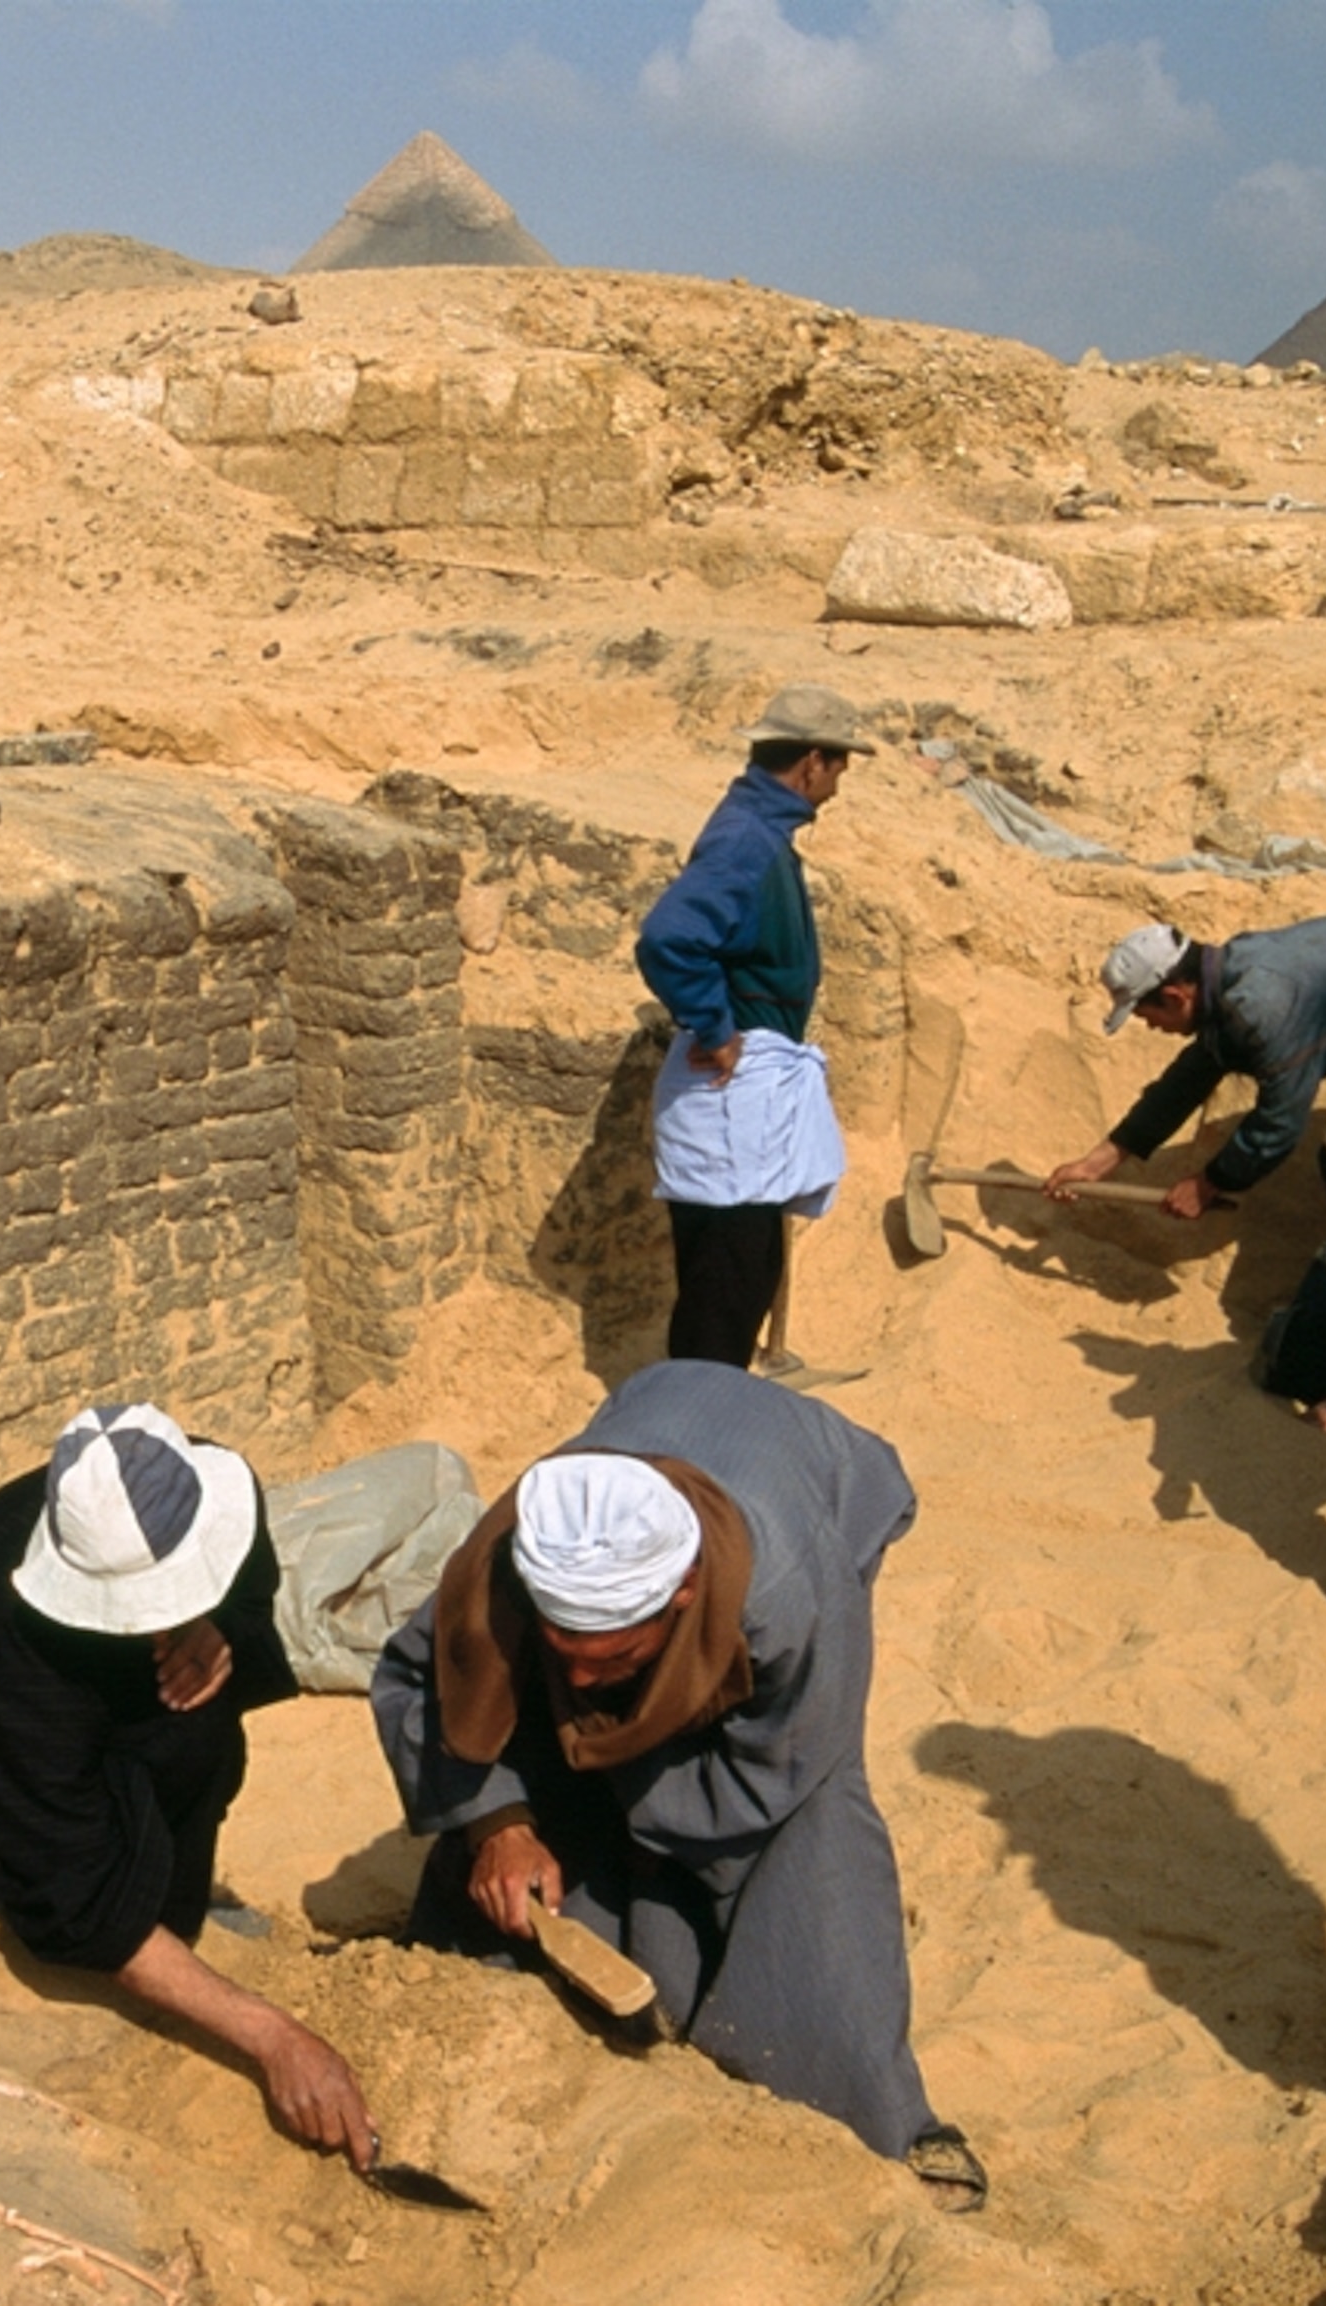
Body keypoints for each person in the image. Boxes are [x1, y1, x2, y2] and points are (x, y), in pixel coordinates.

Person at [370, 1361, 987, 2210]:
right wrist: (499, 1824)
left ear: (684, 1591)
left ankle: (880, 2116)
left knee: (809, 1841)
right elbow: (428, 1689)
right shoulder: (508, 1563)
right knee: (549, 1749)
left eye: (615, 1654)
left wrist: (618, 1780)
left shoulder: (786, 1603)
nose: (586, 1679)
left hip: (814, 1479)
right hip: (663, 1405)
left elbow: (782, 1767)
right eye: (565, 1646)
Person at [0, 1403, 374, 2169]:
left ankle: (172, 1919)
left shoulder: (214, 1489)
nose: (156, 1616)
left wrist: (218, 1633)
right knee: (68, 1878)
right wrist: (274, 2037)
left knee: (200, 1730)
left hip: (60, 1687)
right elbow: (78, 1905)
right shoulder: (3, 1638)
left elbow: (252, 1598)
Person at [1045, 907, 1326, 1428]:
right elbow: (1187, 1080)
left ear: (1176, 995)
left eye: (1147, 1014)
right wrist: (1098, 1161)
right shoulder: (1227, 984)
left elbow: (1280, 1124)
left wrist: (1210, 1183)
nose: (1149, 1025)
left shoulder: (1264, 1002)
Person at [632, 684, 870, 1367]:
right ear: (813, 763)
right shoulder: (746, 840)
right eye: (839, 770)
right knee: (722, 1289)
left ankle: (714, 1415)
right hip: (732, 1091)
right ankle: (690, 1442)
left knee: (750, 1268)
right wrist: (716, 1028)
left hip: (751, 1090)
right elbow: (668, 939)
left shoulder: (759, 829)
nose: (838, 787)